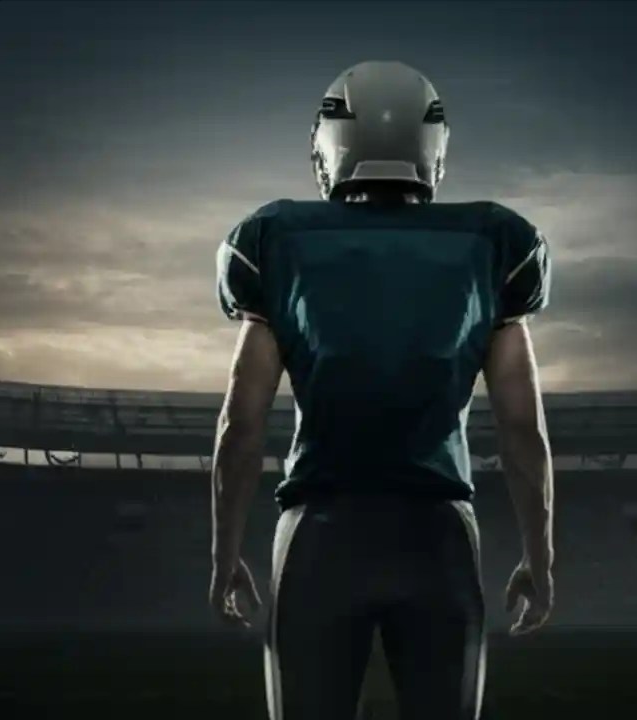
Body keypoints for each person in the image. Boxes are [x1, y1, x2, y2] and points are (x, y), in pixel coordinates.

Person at [209, 60, 555, 720]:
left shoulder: (278, 240)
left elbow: (240, 427)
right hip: (438, 536)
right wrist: (541, 560)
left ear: (329, 144)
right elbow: (522, 431)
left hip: (320, 532)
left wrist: (224, 558)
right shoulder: (493, 241)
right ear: (433, 147)